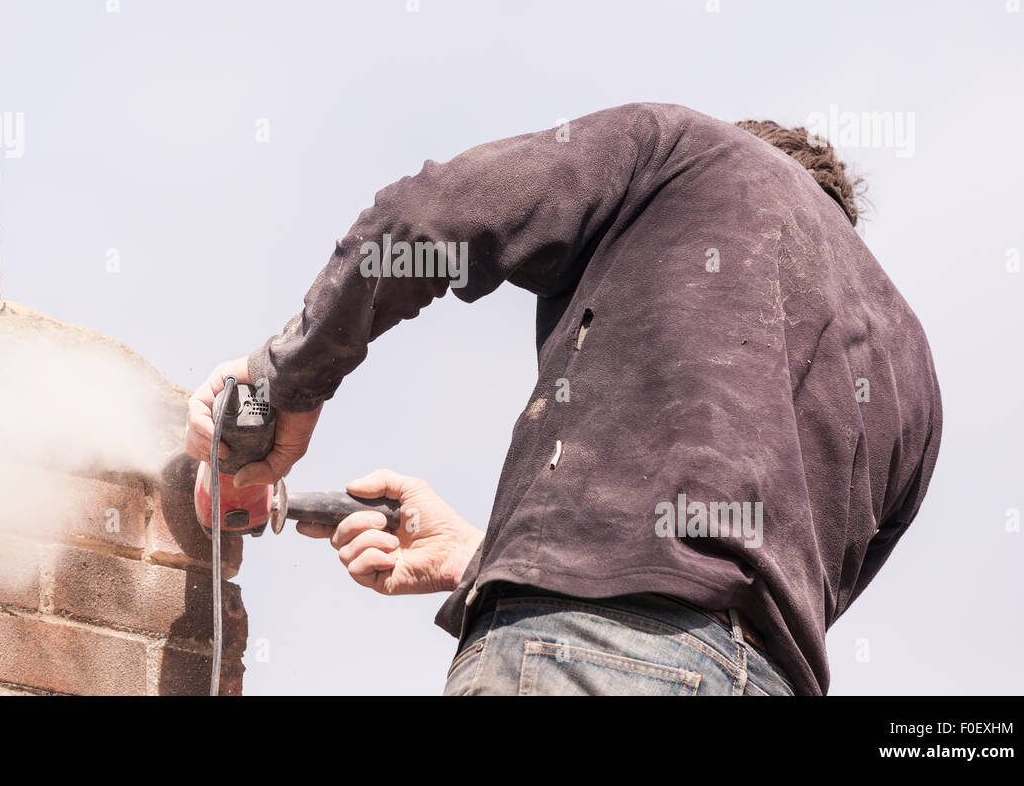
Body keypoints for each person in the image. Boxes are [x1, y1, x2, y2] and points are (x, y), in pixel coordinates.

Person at [186, 103, 942, 696]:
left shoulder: (689, 154)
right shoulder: (914, 370)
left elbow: (423, 220)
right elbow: (728, 599)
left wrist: (282, 385)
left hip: (578, 654)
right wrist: (482, 557)